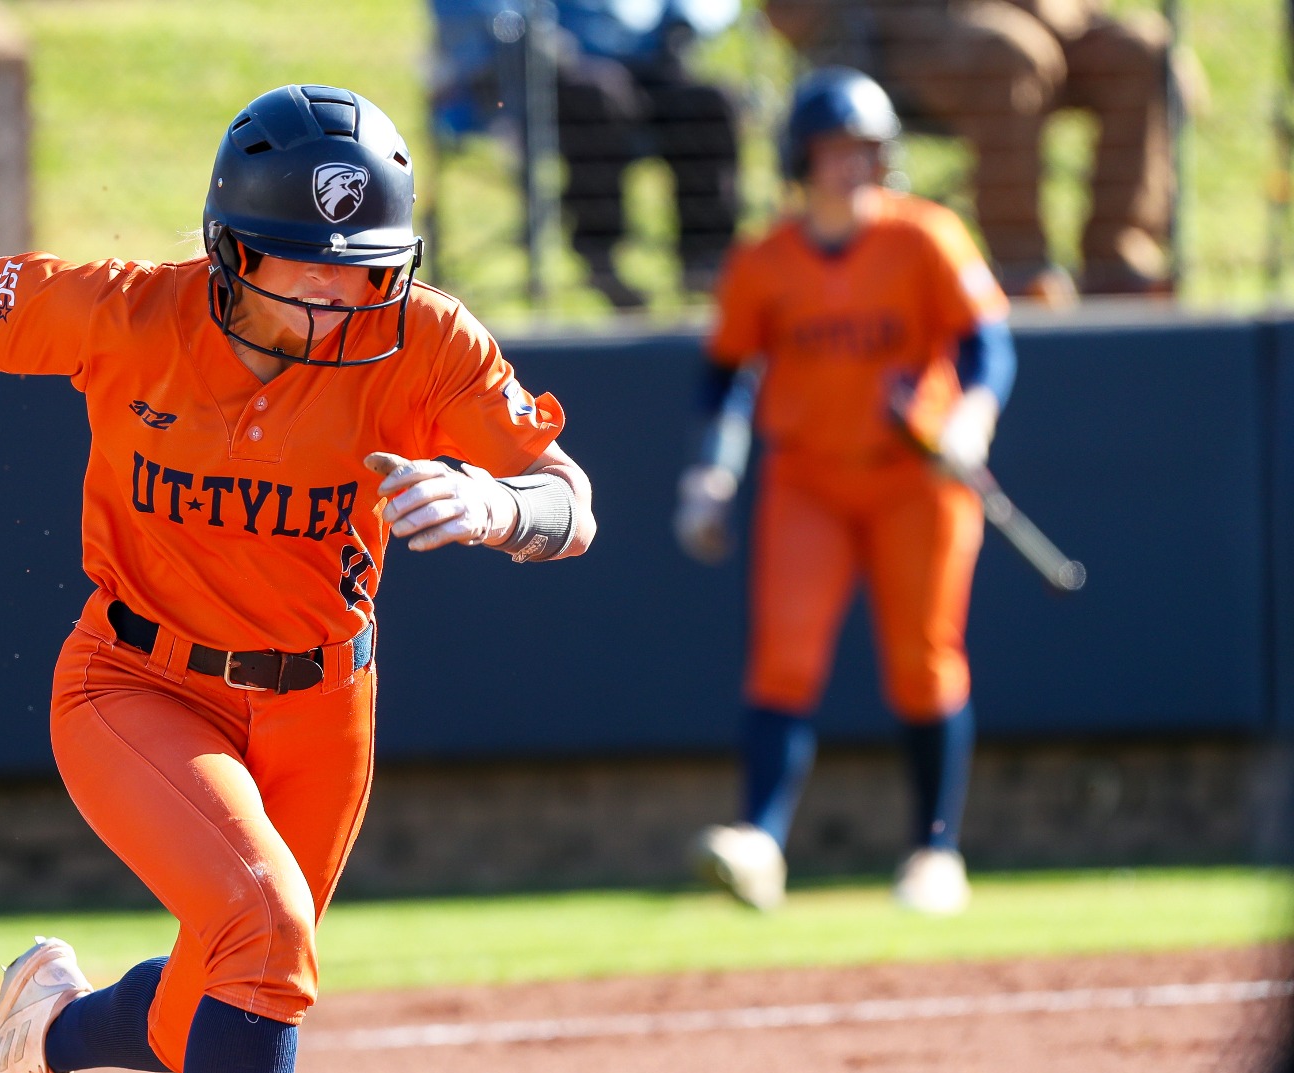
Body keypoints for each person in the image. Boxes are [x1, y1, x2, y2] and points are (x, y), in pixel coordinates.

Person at [0, 84, 596, 1073]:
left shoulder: (419, 342)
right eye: (304, 269)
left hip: (321, 707)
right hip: (134, 680)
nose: (339, 300)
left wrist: (498, 509)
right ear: (228, 251)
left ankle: (41, 1034)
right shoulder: (128, 310)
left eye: (365, 271)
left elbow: (570, 495)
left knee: (229, 997)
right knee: (265, 925)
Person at [672, 68, 1015, 915]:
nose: (852, 168)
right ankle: (759, 841)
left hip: (917, 478)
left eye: (866, 150)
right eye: (834, 152)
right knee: (783, 659)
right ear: (801, 160)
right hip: (809, 478)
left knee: (925, 661)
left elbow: (988, 345)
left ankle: (935, 852)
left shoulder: (926, 237)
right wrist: (711, 476)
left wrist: (972, 419)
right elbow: (725, 378)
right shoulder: (765, 261)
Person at [764, 0, 1173, 299]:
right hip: (916, 32)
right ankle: (1020, 268)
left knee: (1140, 49)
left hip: (1054, 20)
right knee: (1012, 56)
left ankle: (1116, 259)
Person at [431, 0, 742, 306]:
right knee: (596, 96)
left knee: (710, 102)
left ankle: (705, 260)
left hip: (643, 62)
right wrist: (533, 33)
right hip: (537, 75)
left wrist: (682, 19)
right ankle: (601, 259)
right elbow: (480, 12)